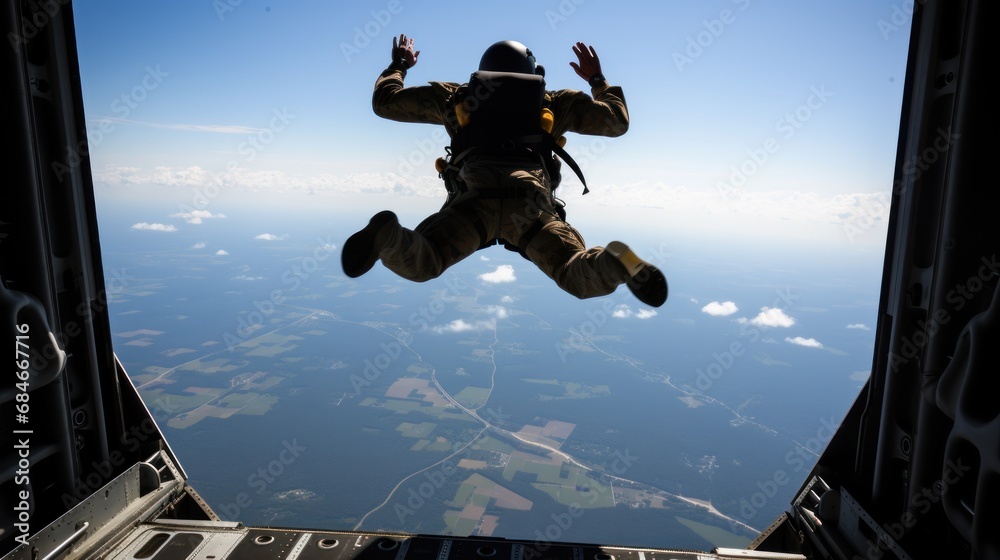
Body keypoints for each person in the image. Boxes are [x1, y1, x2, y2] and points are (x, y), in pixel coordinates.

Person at [341, 34, 667, 307]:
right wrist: (597, 80)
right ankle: (614, 263)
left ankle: (387, 234)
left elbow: (385, 102)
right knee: (573, 273)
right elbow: (617, 122)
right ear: (533, 72)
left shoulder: (456, 98)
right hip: (530, 208)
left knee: (424, 261)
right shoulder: (555, 103)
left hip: (473, 204)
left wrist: (400, 65)